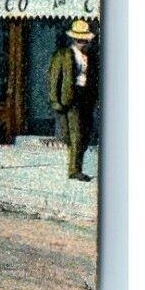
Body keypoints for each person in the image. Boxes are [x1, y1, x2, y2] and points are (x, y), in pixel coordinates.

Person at [49, 19, 99, 181]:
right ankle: (74, 170)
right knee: (76, 135)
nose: (81, 43)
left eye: (84, 40)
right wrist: (55, 100)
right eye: (78, 39)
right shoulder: (63, 55)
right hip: (70, 97)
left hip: (86, 97)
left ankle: (76, 167)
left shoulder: (89, 56)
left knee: (84, 135)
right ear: (73, 39)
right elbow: (54, 79)